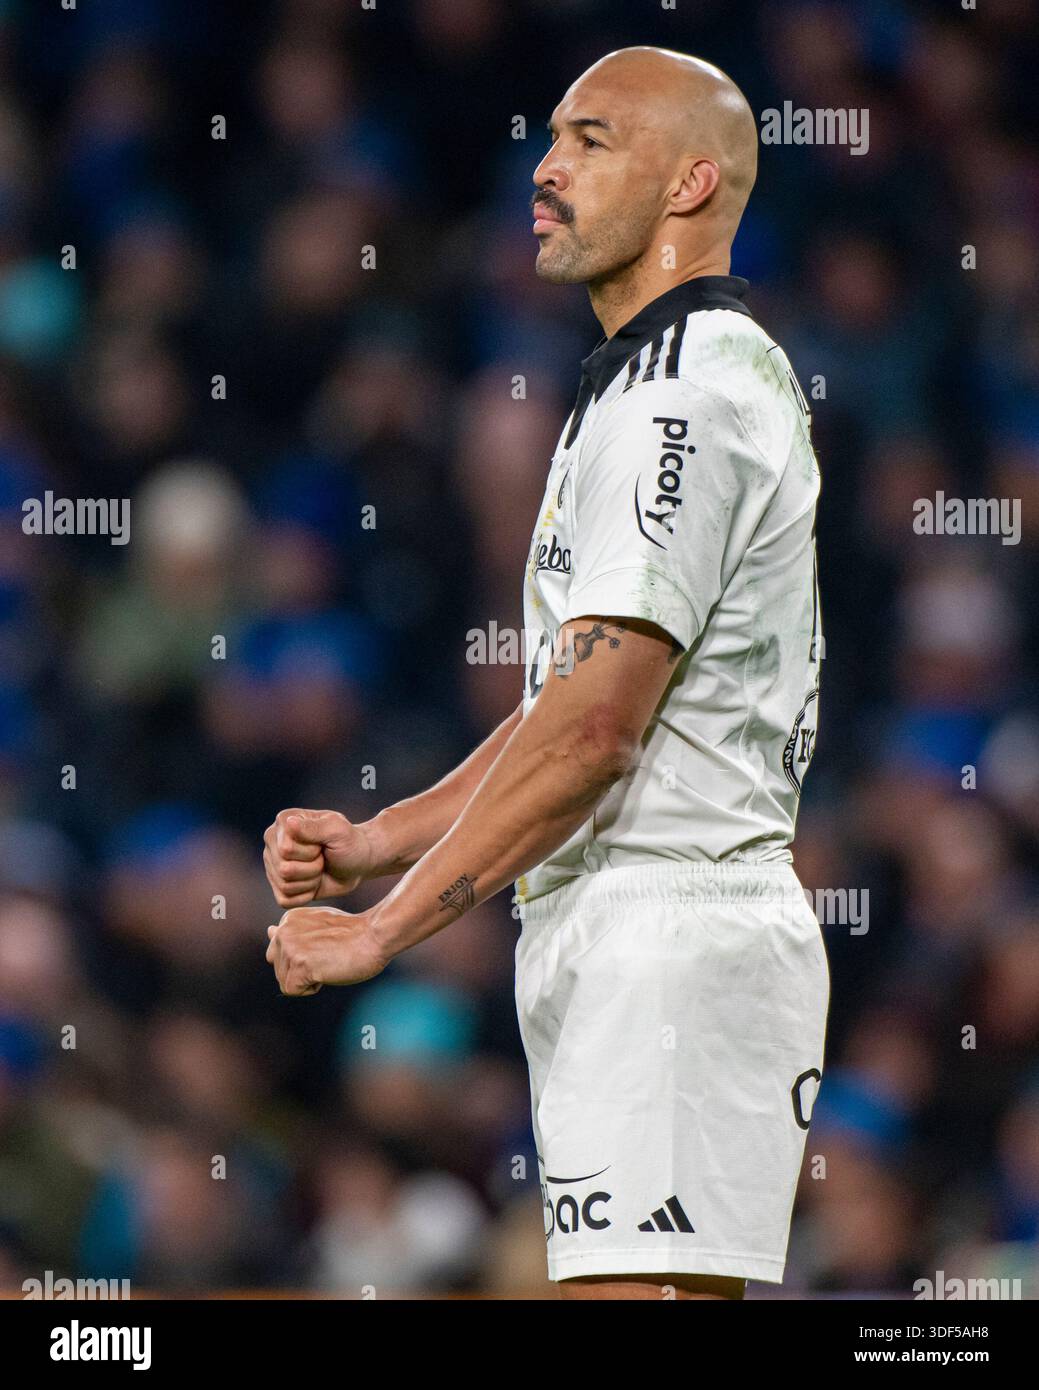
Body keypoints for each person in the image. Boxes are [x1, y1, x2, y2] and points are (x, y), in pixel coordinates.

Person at [264, 46, 829, 1301]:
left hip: (668, 934)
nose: (547, 163)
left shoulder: (676, 404)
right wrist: (381, 839)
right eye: (553, 137)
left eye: (592, 139)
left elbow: (594, 739)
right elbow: (563, 704)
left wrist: (384, 930)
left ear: (690, 183)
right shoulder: (644, 384)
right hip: (625, 930)